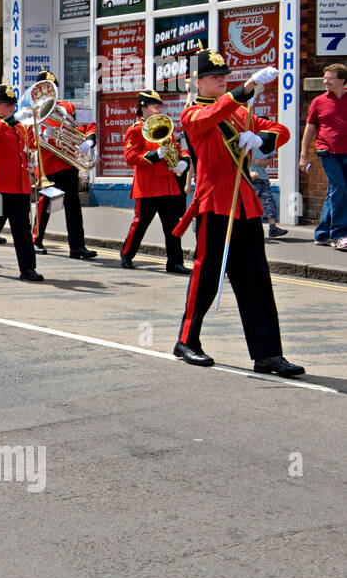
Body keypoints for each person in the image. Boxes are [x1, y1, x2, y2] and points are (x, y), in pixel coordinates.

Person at [172, 52, 303, 375]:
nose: (221, 79)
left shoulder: (239, 114)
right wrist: (247, 87)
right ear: (197, 82)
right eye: (214, 76)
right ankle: (187, 340)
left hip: (245, 205)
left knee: (257, 280)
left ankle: (267, 353)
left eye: (224, 75)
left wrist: (261, 138)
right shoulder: (193, 114)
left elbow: (281, 130)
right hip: (214, 203)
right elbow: (214, 113)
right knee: (206, 279)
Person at [0, 85, 43, 281]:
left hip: (18, 185)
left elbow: (31, 143)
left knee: (22, 228)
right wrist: (12, 120)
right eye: (8, 105)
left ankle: (27, 268)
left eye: (13, 105)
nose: (12, 108)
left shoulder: (20, 127)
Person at [120, 90, 191, 273]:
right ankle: (127, 254)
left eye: (160, 106)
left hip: (168, 185)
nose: (159, 109)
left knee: (173, 227)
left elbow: (178, 148)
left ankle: (175, 262)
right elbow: (130, 157)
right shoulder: (136, 129)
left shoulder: (165, 128)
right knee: (141, 223)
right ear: (143, 108)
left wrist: (183, 161)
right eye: (155, 106)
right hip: (148, 186)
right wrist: (156, 154)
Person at [27, 74, 97, 259]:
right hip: (49, 165)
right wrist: (43, 137)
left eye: (52, 88)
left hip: (68, 162)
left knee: (73, 205)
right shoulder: (32, 111)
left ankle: (77, 247)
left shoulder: (68, 107)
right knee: (46, 204)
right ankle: (35, 239)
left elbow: (87, 124)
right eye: (45, 88)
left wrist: (89, 141)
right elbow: (29, 140)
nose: (50, 92)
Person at [301, 63, 347, 249]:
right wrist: (303, 155)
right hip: (327, 151)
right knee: (340, 188)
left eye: (330, 78)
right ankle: (339, 234)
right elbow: (310, 129)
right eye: (325, 77)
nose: (325, 81)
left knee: (334, 192)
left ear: (342, 80)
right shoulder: (318, 102)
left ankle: (321, 234)